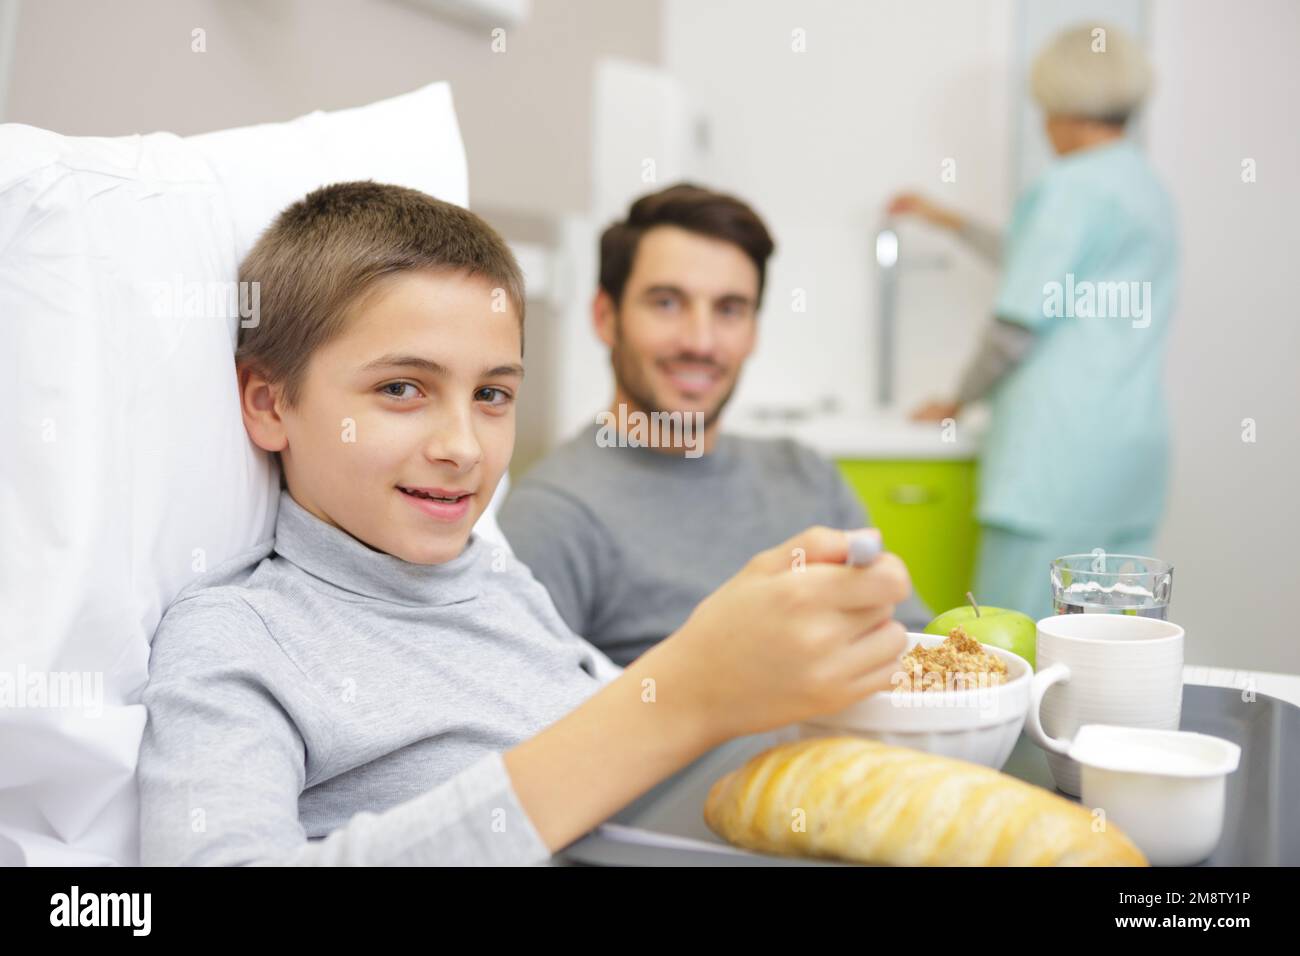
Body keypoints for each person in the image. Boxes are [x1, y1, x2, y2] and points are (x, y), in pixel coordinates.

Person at [136, 181, 911, 866]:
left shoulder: (497, 581)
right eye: (403, 388)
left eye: (493, 396)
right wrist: (683, 697)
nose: (462, 448)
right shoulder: (240, 637)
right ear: (271, 404)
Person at [498, 184, 932, 667]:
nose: (700, 342)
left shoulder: (808, 476)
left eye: (729, 310)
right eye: (666, 302)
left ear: (753, 331)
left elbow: (911, 646)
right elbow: (535, 729)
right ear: (605, 317)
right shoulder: (552, 515)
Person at [890, 23, 1179, 620]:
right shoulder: (1146, 188)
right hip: (1126, 454)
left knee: (1016, 641)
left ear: (1065, 109)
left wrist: (955, 401)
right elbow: (1037, 259)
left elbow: (1013, 328)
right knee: (1110, 644)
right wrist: (949, 221)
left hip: (1054, 459)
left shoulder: (1068, 188)